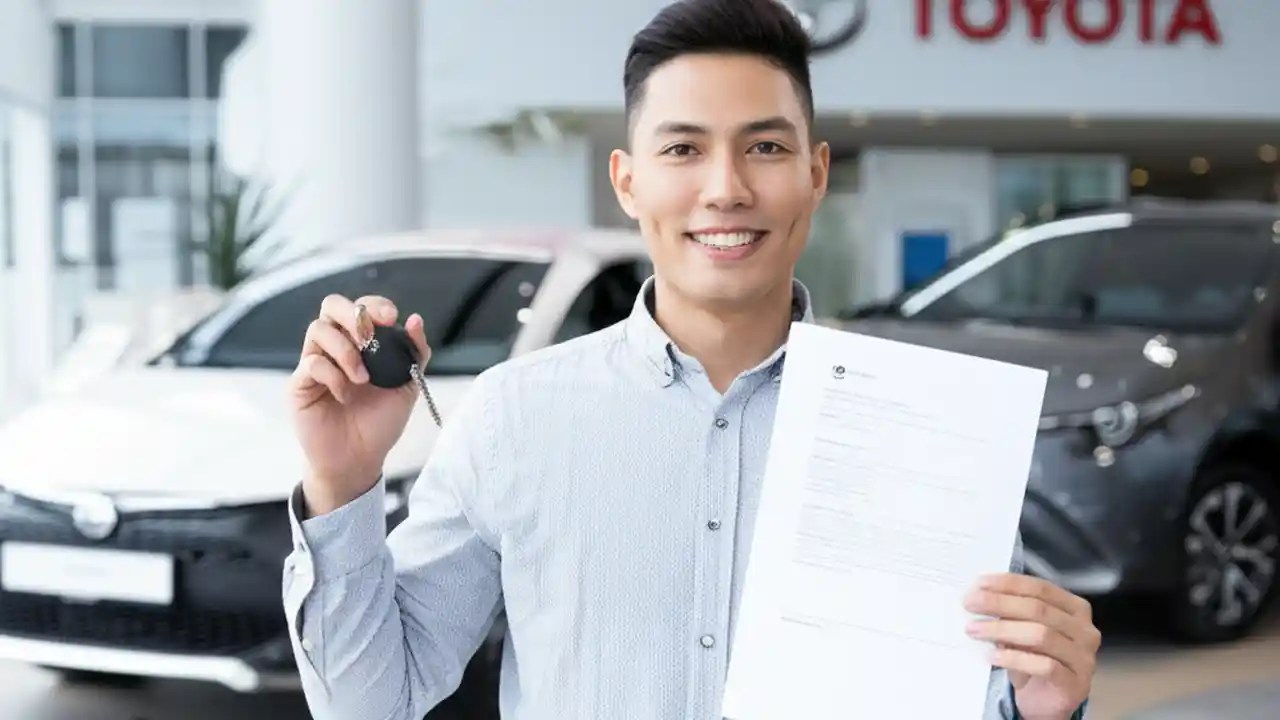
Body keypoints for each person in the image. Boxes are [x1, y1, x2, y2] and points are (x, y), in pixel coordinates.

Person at [282, 0, 1100, 718]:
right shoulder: (514, 418)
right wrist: (342, 483)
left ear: (815, 175)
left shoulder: (925, 427)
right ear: (628, 183)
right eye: (683, 150)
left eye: (766, 149)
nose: (726, 188)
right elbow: (373, 704)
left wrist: (1044, 705)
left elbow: (979, 698)